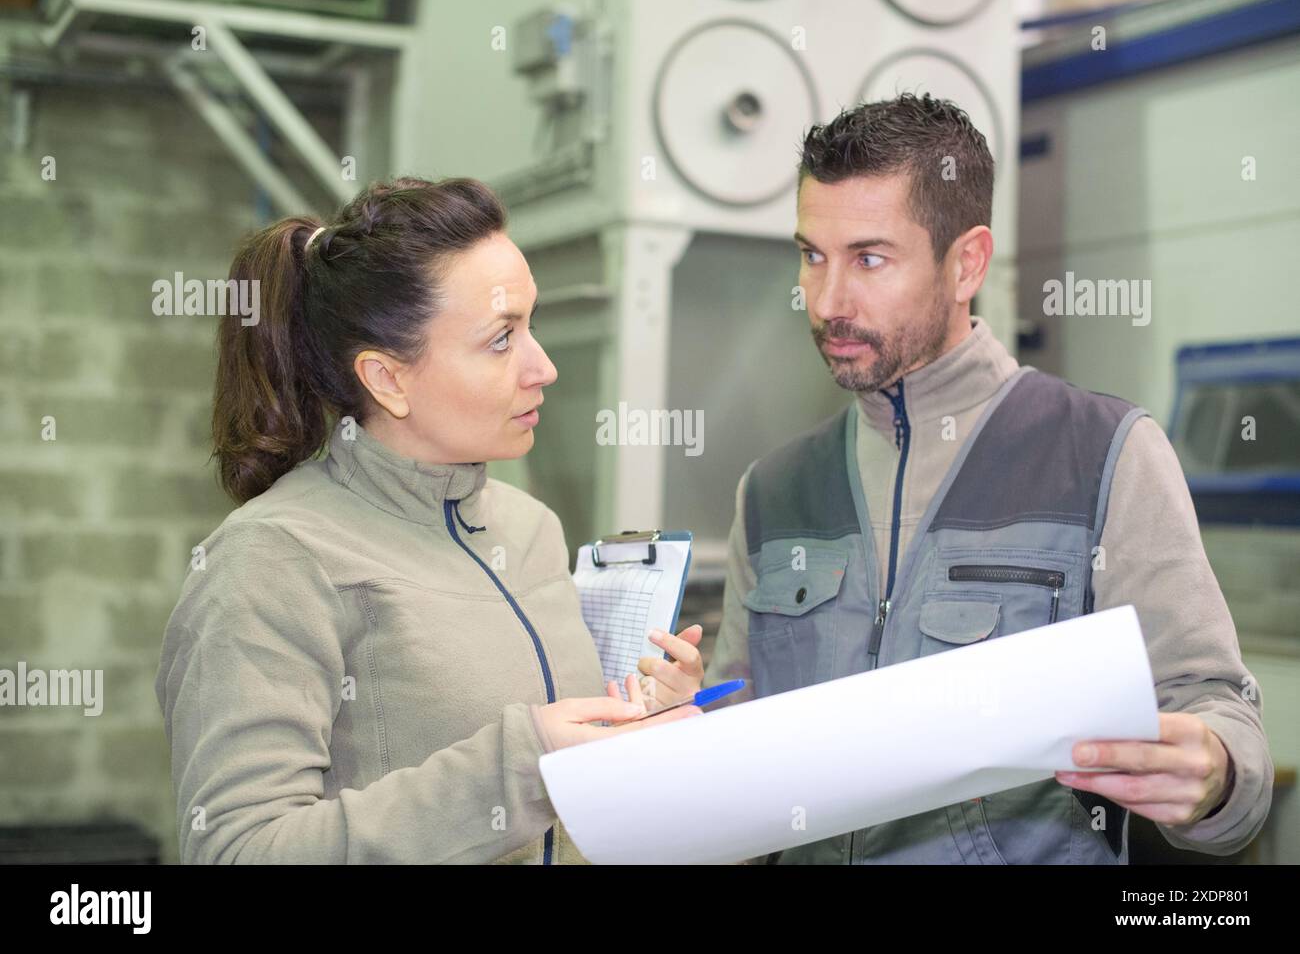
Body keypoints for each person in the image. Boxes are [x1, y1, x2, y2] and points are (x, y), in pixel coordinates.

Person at [640, 93, 1273, 864]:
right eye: (812, 255)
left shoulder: (1102, 453)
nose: (827, 300)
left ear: (966, 261)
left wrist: (1214, 773)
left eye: (869, 259)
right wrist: (690, 723)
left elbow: (1217, 708)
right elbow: (746, 728)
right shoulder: (773, 488)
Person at [155, 176, 699, 864]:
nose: (544, 367)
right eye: (502, 339)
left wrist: (635, 721)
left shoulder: (530, 530)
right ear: (388, 379)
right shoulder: (273, 560)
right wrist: (522, 768)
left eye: (532, 326)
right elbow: (238, 850)